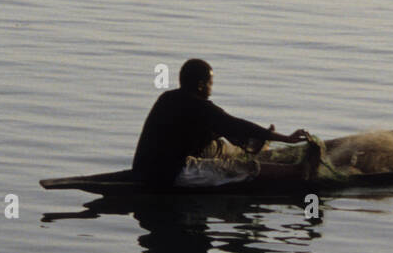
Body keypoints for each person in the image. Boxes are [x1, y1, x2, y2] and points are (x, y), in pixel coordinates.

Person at [132, 58, 308, 187]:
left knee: (217, 142)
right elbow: (235, 124)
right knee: (242, 168)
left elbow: (220, 128)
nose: (211, 88)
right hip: (173, 174)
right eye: (210, 83)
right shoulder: (199, 107)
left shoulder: (167, 98)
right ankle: (299, 171)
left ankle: (254, 147)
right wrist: (286, 139)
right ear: (201, 85)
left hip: (144, 168)